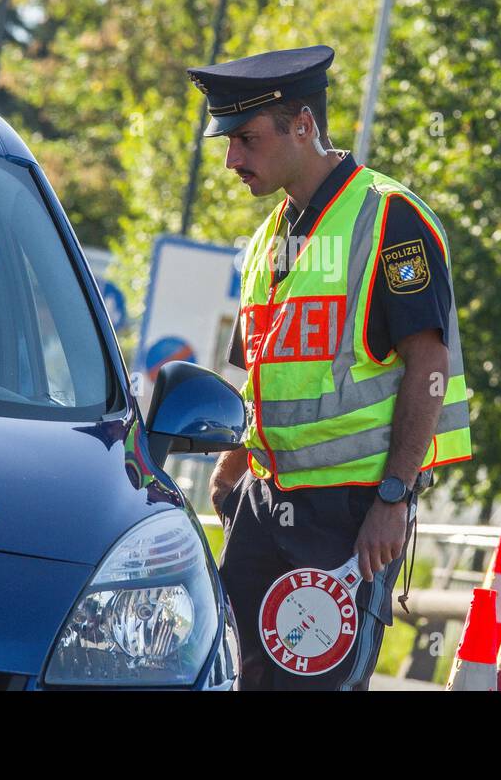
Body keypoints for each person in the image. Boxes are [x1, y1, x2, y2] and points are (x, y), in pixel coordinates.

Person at [187, 45, 473, 690]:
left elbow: (428, 360)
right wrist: (235, 467)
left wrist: (393, 498)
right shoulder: (269, 236)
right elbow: (261, 366)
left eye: (247, 139)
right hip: (265, 504)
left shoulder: (388, 217)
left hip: (351, 516)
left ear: (304, 126)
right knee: (228, 679)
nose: (233, 158)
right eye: (229, 142)